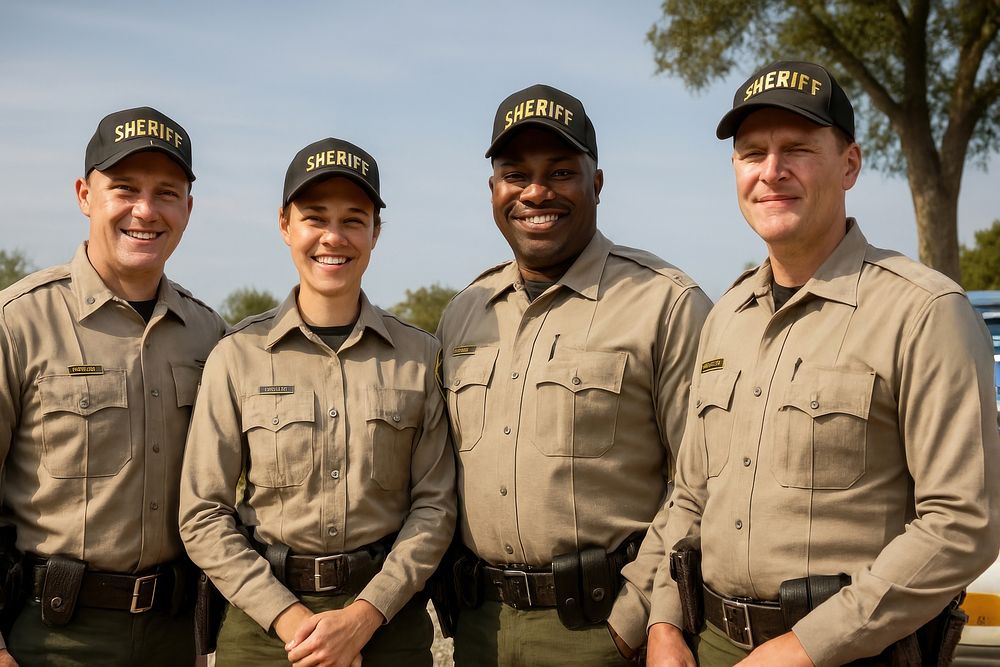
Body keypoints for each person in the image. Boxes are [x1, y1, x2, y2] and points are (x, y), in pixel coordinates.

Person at [644, 60, 1000, 666]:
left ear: (850, 165)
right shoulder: (725, 316)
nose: (771, 172)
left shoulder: (922, 311)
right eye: (752, 153)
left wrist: (808, 646)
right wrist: (663, 621)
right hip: (711, 647)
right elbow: (690, 494)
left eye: (798, 149)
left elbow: (962, 522)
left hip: (850, 655)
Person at [435, 83, 711, 665]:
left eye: (561, 172)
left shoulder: (665, 302)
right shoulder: (464, 313)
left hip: (601, 628)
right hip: (481, 630)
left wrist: (635, 620)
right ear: (493, 190)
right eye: (516, 173)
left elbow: (702, 481)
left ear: (597, 184)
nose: (536, 191)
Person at [178, 137, 456, 667]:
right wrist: (292, 621)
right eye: (314, 217)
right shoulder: (237, 356)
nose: (334, 236)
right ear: (285, 225)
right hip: (264, 631)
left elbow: (436, 506)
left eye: (354, 219)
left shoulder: (420, 357)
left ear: (376, 232)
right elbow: (202, 513)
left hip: (386, 628)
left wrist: (363, 617)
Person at [0, 107, 226, 665]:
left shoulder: (209, 334)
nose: (145, 211)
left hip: (173, 636)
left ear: (188, 209)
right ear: (84, 195)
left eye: (167, 193)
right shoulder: (19, 322)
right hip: (50, 639)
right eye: (124, 189)